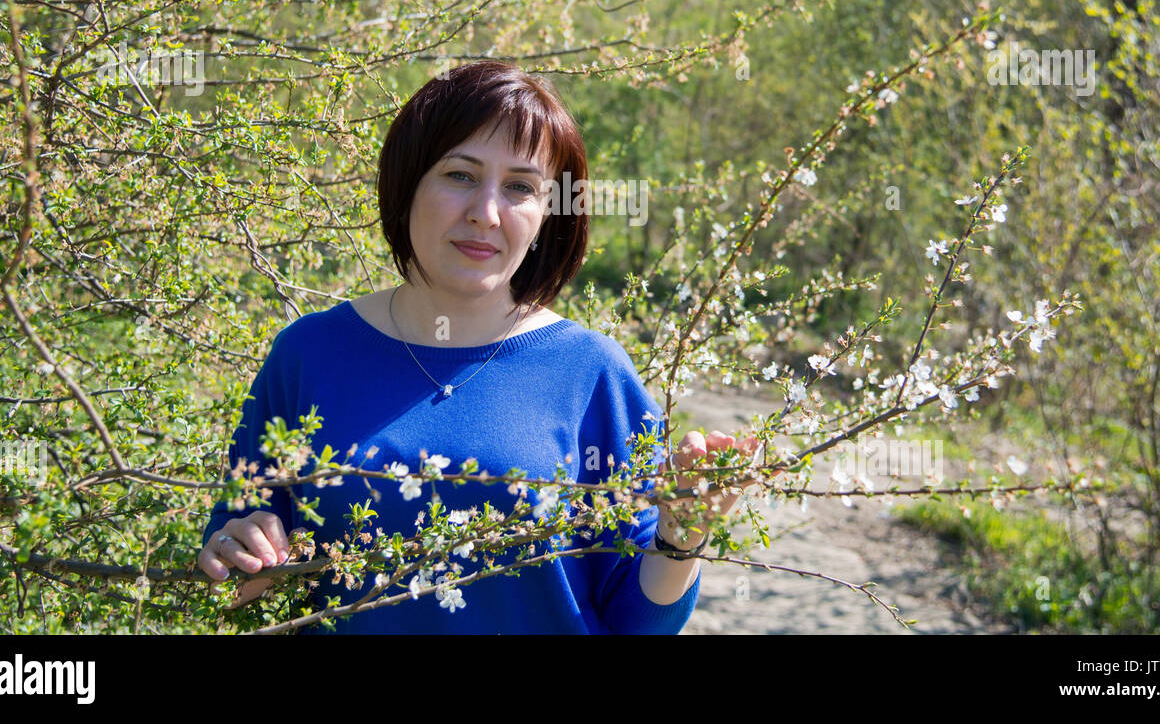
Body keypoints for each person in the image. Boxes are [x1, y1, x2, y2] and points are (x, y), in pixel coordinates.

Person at [197, 60, 756, 633]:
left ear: (546, 216)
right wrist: (237, 554)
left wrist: (684, 531)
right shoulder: (307, 356)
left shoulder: (593, 374)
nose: (486, 214)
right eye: (460, 175)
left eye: (520, 187)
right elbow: (235, 583)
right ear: (407, 181)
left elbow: (640, 622)